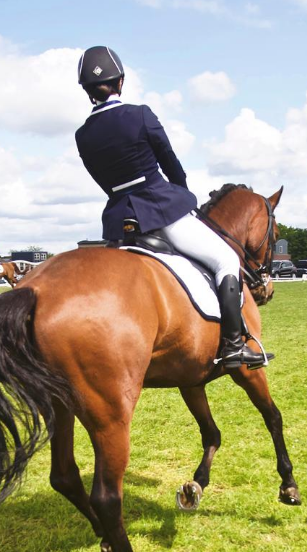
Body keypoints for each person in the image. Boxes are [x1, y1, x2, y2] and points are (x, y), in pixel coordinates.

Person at [73, 46, 266, 370]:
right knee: (225, 258)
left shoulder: (83, 135)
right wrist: (182, 198)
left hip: (120, 222)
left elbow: (103, 181)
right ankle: (233, 346)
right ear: (120, 81)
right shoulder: (141, 115)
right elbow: (172, 166)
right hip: (161, 209)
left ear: (87, 91)